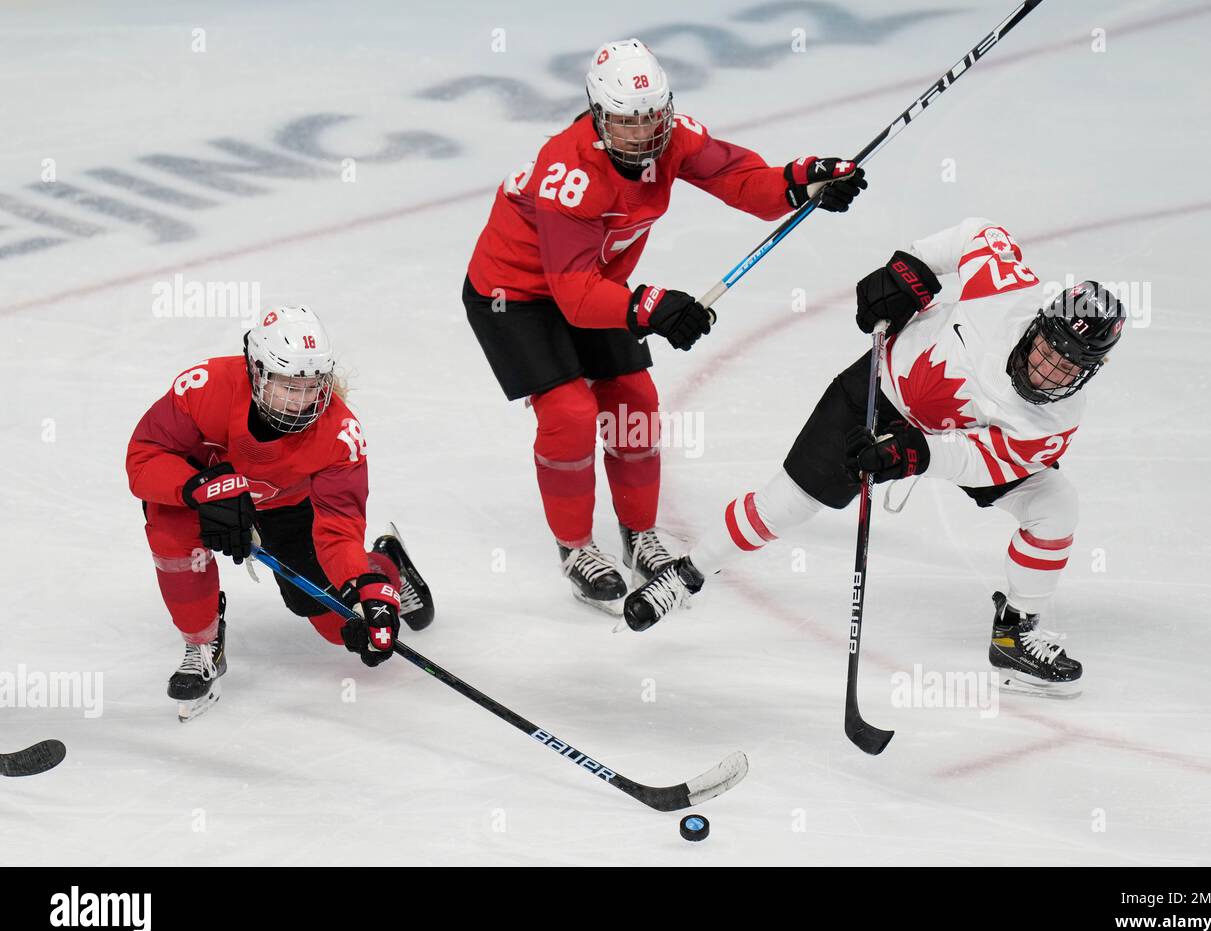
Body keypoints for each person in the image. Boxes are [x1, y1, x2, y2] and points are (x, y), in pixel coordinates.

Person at [622, 218, 1126, 698]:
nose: (1047, 370)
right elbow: (978, 234)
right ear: (1039, 323)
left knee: (1055, 505)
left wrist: (911, 454)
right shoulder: (1005, 292)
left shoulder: (1055, 422)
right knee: (785, 505)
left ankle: (1014, 634)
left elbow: (977, 460)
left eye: (1068, 366)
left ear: (1093, 370)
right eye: (1048, 348)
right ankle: (686, 573)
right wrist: (908, 273)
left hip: (955, 439)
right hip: (877, 390)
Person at [463, 37, 866, 614]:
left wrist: (803, 181)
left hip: (590, 283)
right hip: (516, 295)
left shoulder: (672, 137)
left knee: (634, 402)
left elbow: (743, 181)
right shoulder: (568, 173)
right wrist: (650, 306)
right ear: (600, 119)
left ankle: (638, 534)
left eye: (654, 115)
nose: (644, 132)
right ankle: (575, 547)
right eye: (628, 122)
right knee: (570, 415)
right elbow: (573, 296)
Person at [126, 307, 434, 721]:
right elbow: (143, 458)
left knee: (333, 625)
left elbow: (338, 525)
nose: (301, 400)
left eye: (311, 386)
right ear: (255, 369)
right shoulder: (204, 388)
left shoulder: (340, 435)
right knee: (169, 526)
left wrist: (368, 585)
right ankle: (201, 645)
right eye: (287, 385)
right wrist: (200, 487)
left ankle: (388, 563)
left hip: (289, 508)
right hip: (206, 494)